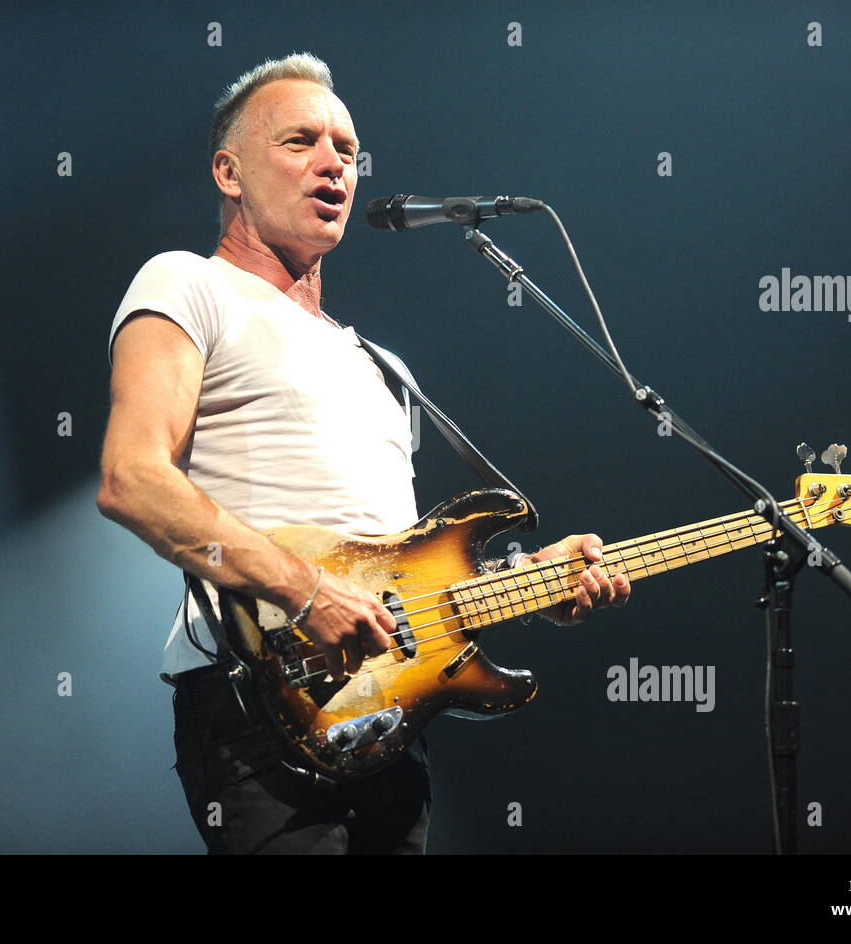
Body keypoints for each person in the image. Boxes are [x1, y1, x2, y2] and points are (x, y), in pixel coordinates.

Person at [96, 52, 630, 854]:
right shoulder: (186, 284)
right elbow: (132, 479)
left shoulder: (383, 365)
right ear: (228, 170)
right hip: (261, 707)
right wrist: (307, 591)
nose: (333, 164)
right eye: (301, 141)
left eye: (346, 149)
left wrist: (532, 583)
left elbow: (399, 572)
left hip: (388, 718)